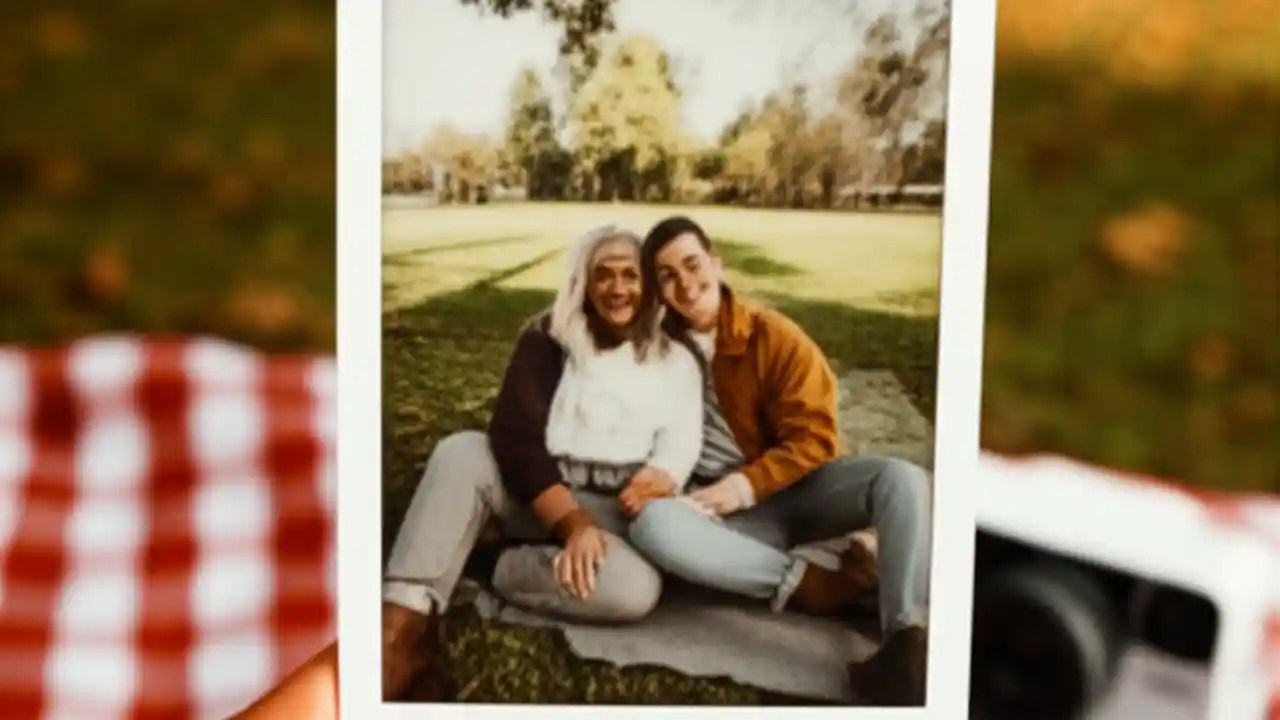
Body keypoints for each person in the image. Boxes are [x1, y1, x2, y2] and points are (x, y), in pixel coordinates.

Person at [380, 224, 704, 700]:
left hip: (618, 508)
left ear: (649, 286)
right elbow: (515, 438)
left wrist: (659, 479)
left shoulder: (676, 360)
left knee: (634, 591)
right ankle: (400, 629)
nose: (618, 289)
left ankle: (490, 562)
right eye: (604, 276)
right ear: (584, 284)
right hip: (536, 489)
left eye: (631, 276)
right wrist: (572, 524)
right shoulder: (548, 338)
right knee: (461, 451)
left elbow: (681, 445)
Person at [624, 215, 934, 706]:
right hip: (723, 515)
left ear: (716, 263)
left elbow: (815, 439)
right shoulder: (652, 351)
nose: (684, 283)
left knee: (902, 478)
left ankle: (906, 639)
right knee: (651, 527)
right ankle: (813, 585)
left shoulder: (774, 335)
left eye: (692, 264)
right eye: (666, 275)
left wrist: (743, 485)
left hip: (800, 490)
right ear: (657, 291)